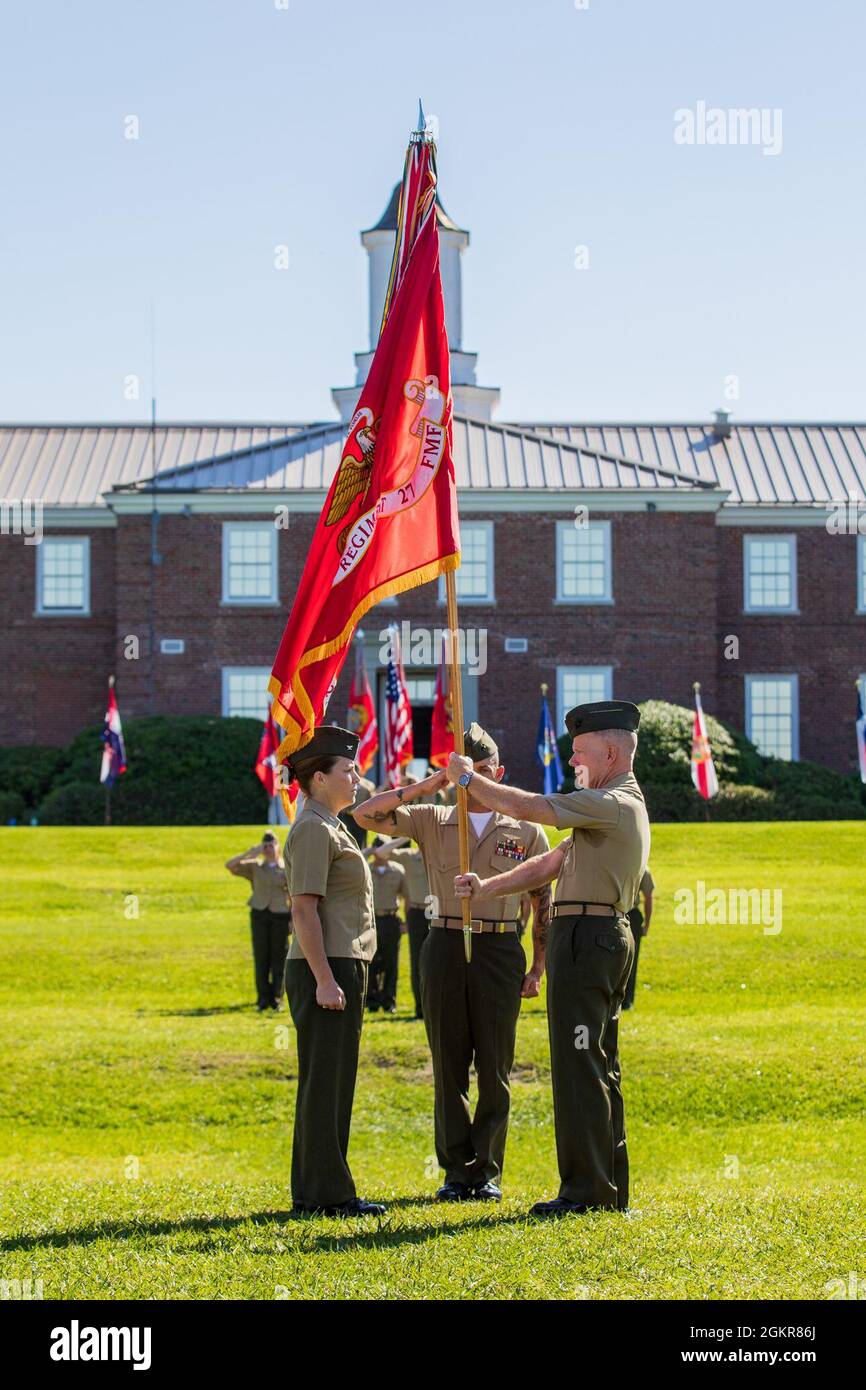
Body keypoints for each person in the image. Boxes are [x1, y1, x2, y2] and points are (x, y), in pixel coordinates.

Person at [448, 701, 650, 1218]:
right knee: (594, 1061)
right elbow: (547, 862)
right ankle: (605, 1186)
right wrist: (486, 884)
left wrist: (470, 781)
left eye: (580, 752)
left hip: (589, 937)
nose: (572, 761)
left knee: (579, 1063)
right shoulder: (603, 806)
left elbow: (532, 808)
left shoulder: (611, 802)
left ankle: (586, 1192)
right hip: (592, 934)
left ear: (610, 752)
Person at [354, 723, 551, 1203]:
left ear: (498, 773)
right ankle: (456, 1173)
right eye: (466, 772)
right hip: (442, 942)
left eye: (482, 773)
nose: (473, 783)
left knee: (495, 1065)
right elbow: (365, 816)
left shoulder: (526, 828)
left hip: (500, 947)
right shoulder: (432, 817)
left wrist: (538, 967)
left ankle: (486, 1171)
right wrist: (434, 783)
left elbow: (543, 899)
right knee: (448, 1064)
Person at [283, 725, 385, 1218]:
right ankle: (326, 1194)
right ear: (319, 778)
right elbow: (303, 910)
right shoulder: (312, 829)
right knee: (326, 1081)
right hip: (325, 965)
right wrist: (325, 978)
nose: (357, 774)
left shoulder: (332, 825)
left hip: (341, 962)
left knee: (333, 1079)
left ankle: (318, 1188)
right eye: (348, 769)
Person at [225, 832, 292, 1013]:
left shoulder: (286, 869)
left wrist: (293, 920)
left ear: (278, 847)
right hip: (260, 914)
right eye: (266, 846)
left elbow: (294, 896)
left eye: (272, 846)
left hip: (280, 915)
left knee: (279, 957)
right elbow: (230, 866)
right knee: (261, 957)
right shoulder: (255, 867)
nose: (269, 850)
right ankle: (262, 999)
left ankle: (277, 998)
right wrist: (250, 853)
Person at [373, 840, 430, 1019]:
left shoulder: (440, 852)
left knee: (438, 962)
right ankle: (420, 1008)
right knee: (416, 962)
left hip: (438, 911)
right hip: (416, 912)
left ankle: (436, 1007)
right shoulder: (409, 856)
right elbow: (381, 852)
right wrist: (405, 836)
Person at [363, 842, 406, 1013]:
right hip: (371, 920)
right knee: (371, 961)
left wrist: (405, 921)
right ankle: (372, 1000)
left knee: (391, 962)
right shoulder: (366, 868)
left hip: (390, 919)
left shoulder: (398, 870)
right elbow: (357, 858)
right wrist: (368, 851)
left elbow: (405, 896)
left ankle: (389, 1001)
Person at [623, 867, 654, 1010]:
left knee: (630, 960)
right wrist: (646, 924)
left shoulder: (642, 869)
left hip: (626, 913)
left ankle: (626, 1000)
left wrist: (646, 924)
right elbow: (648, 898)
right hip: (627, 914)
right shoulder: (643, 868)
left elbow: (648, 897)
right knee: (631, 960)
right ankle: (626, 1001)